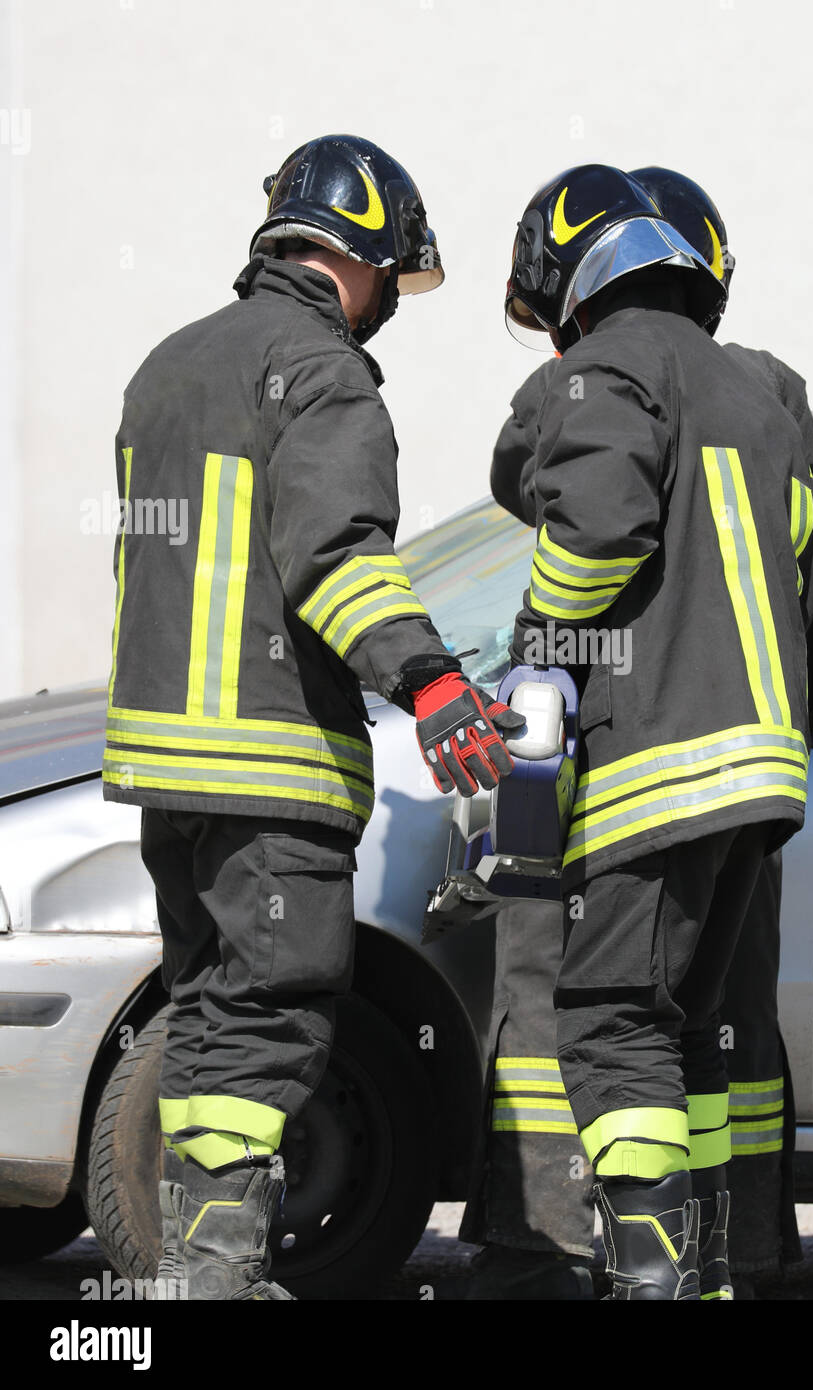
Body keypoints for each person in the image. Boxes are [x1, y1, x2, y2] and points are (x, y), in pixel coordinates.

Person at [103, 134, 518, 1300]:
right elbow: (336, 559)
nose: (390, 307)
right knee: (272, 1010)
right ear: (365, 261)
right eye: (395, 281)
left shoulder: (167, 367)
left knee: (206, 1011)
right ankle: (222, 1274)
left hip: (165, 769)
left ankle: (193, 1263)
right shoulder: (325, 372)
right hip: (270, 765)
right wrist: (433, 681)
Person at [462, 167, 813, 1300]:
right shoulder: (765, 393)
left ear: (575, 299)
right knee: (693, 1033)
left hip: (656, 766)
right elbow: (809, 542)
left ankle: (650, 1278)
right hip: (763, 772)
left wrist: (541, 645)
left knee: (608, 1016)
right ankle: (707, 1267)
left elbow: (602, 528)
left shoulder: (609, 368)